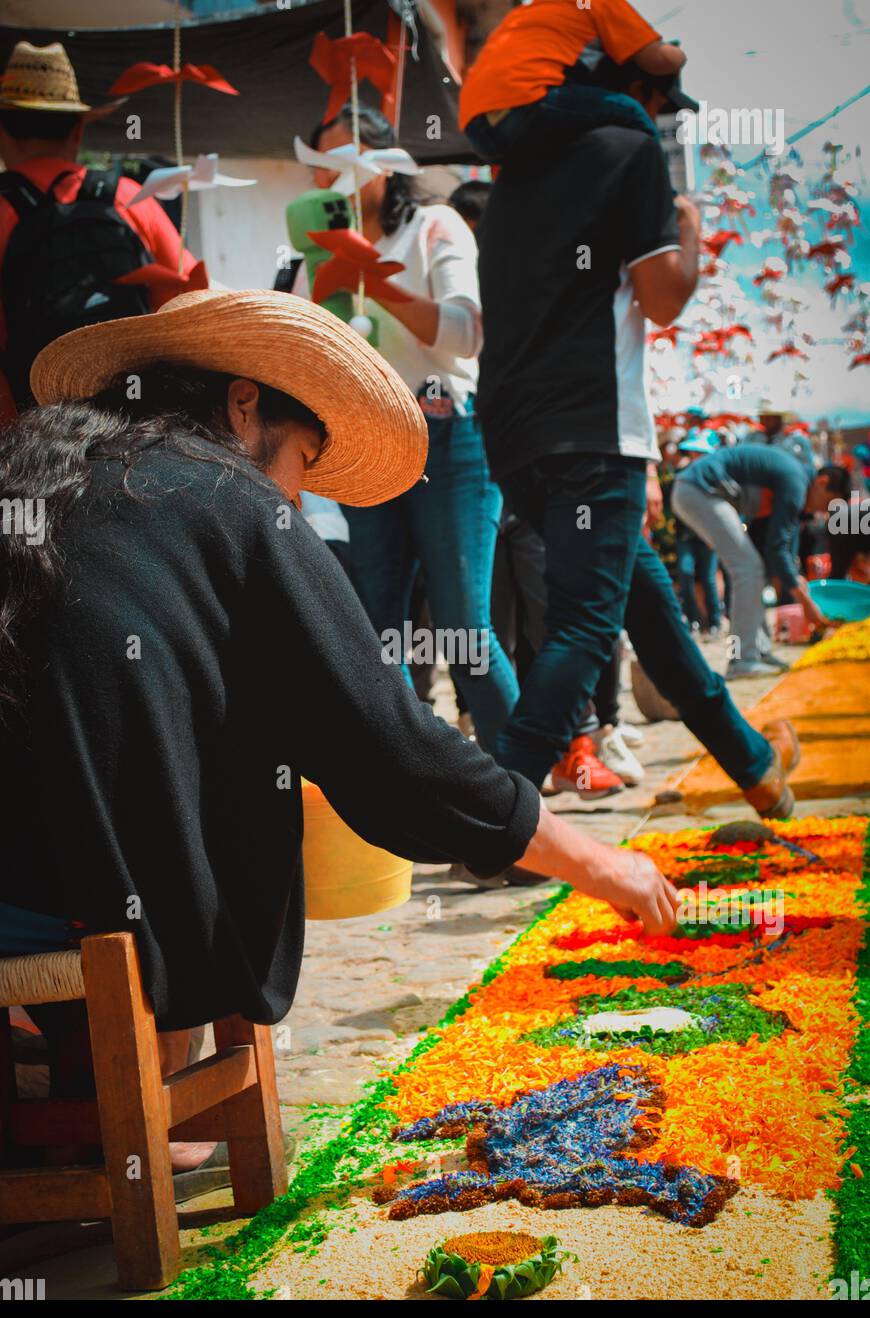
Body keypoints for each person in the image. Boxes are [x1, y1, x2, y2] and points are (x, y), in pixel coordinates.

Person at [0, 290, 680, 1112]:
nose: (294, 499)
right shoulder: (230, 498)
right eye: (300, 466)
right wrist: (604, 865)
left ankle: (86, 1081)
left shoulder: (30, 465)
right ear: (244, 405)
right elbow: (393, 749)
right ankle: (135, 1083)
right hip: (87, 909)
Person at [476, 61, 801, 819]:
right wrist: (688, 232)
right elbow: (661, 299)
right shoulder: (632, 149)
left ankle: (753, 765)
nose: (663, 122)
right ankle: (499, 818)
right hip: (593, 428)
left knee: (650, 613)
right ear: (640, 96)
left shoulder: (515, 170)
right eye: (661, 107)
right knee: (588, 624)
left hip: (519, 431)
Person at [298, 103, 518, 752]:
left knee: (465, 633)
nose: (327, 180)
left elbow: (465, 334)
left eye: (342, 161)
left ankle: (525, 808)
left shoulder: (436, 225)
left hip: (450, 441)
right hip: (365, 449)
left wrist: (370, 275)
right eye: (317, 167)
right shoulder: (313, 253)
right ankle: (410, 811)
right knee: (374, 636)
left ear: (384, 163)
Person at [0, 41, 199, 420]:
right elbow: (188, 300)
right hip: (131, 423)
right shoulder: (126, 197)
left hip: (34, 434)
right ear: (77, 130)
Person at [672, 444, 850, 678]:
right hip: (699, 490)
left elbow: (772, 550)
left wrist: (792, 578)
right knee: (746, 569)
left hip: (698, 491)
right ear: (822, 482)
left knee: (753, 569)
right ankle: (740, 659)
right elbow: (777, 548)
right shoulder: (795, 481)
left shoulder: (792, 478)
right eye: (828, 504)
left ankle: (758, 650)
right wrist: (806, 603)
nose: (823, 512)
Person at [459, 0, 687, 164]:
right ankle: (666, 199)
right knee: (632, 113)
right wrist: (679, 55)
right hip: (525, 102)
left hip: (476, 126)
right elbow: (659, 60)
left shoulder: (527, 14)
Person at [673, 429, 723, 635]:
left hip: (708, 537)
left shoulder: (717, 478)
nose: (696, 456)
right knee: (685, 573)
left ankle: (714, 622)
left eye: (700, 452)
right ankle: (692, 620)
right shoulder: (680, 476)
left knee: (709, 578)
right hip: (685, 536)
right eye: (693, 452)